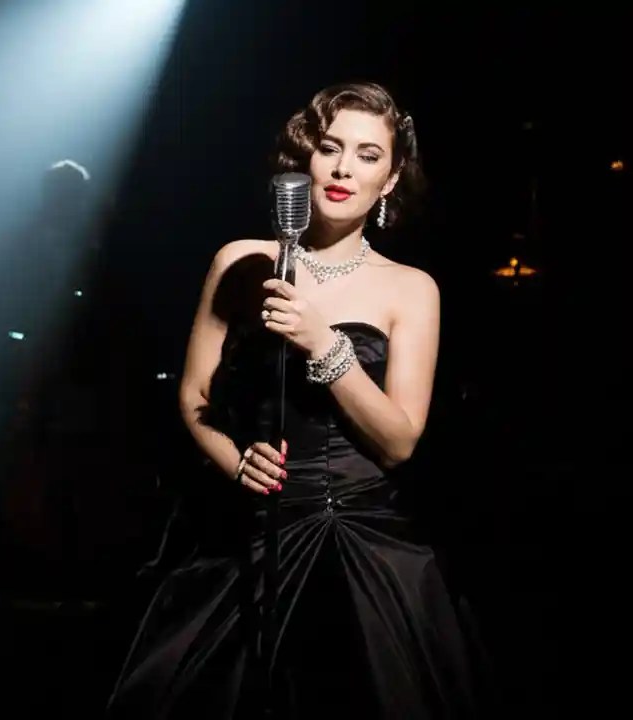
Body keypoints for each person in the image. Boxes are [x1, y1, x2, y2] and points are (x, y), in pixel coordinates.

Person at [105, 82, 494, 719]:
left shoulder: (411, 289)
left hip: (366, 548)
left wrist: (325, 345)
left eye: (368, 155)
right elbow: (194, 395)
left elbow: (399, 442)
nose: (344, 169)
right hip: (250, 537)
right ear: (305, 158)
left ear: (391, 179)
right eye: (330, 148)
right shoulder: (242, 260)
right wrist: (236, 463)